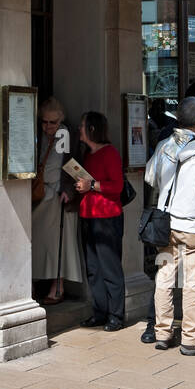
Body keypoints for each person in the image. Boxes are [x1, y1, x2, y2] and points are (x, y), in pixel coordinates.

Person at [144, 97, 195, 356]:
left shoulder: (164, 145)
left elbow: (149, 176)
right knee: (194, 283)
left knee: (165, 278)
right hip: (193, 226)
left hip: (167, 223)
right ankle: (191, 338)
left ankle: (162, 332)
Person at [74, 111, 126, 332]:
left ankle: (116, 315)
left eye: (82, 126)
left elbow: (117, 186)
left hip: (107, 218)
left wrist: (91, 185)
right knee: (93, 269)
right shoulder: (88, 154)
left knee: (110, 269)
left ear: (92, 129)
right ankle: (100, 312)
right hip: (88, 216)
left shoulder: (110, 153)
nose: (79, 129)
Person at [33, 98, 83, 304]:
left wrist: (69, 189)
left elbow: (73, 163)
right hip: (41, 194)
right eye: (45, 122)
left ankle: (58, 286)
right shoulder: (39, 134)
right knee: (39, 242)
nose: (48, 126)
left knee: (58, 244)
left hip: (56, 196)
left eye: (52, 122)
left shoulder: (64, 134)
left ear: (60, 120)